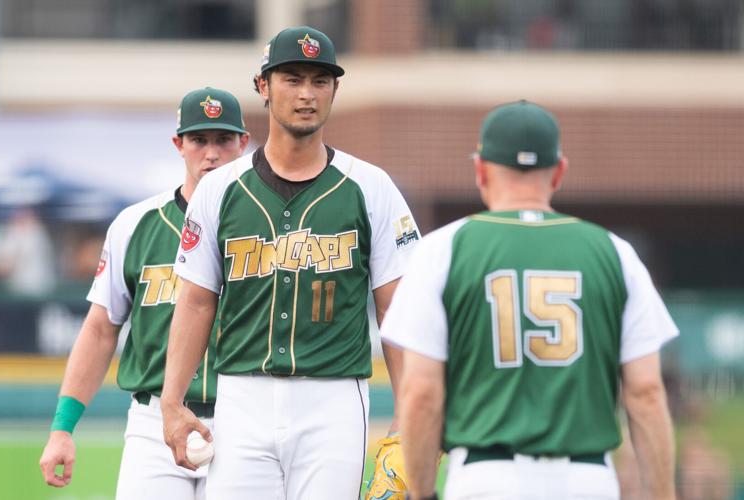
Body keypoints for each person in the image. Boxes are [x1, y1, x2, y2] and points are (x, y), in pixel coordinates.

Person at [160, 26, 420, 500]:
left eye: (320, 81)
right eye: (292, 79)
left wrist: (409, 418)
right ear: (263, 86)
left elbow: (398, 311)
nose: (306, 94)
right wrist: (172, 401)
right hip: (241, 396)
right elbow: (196, 302)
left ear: (335, 89)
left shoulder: (370, 186)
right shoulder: (220, 189)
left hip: (334, 399)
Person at [381, 100, 679, 500]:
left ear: (481, 170)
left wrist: (421, 493)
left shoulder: (442, 251)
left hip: (486, 477)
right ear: (559, 172)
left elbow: (421, 392)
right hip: (585, 478)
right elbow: (645, 393)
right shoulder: (614, 252)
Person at [38, 87, 249, 499]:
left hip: (242, 419)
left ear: (242, 143)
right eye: (198, 140)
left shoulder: (268, 224)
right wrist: (62, 427)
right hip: (155, 424)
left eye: (223, 139)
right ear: (179, 144)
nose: (211, 153)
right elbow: (100, 330)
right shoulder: (135, 224)